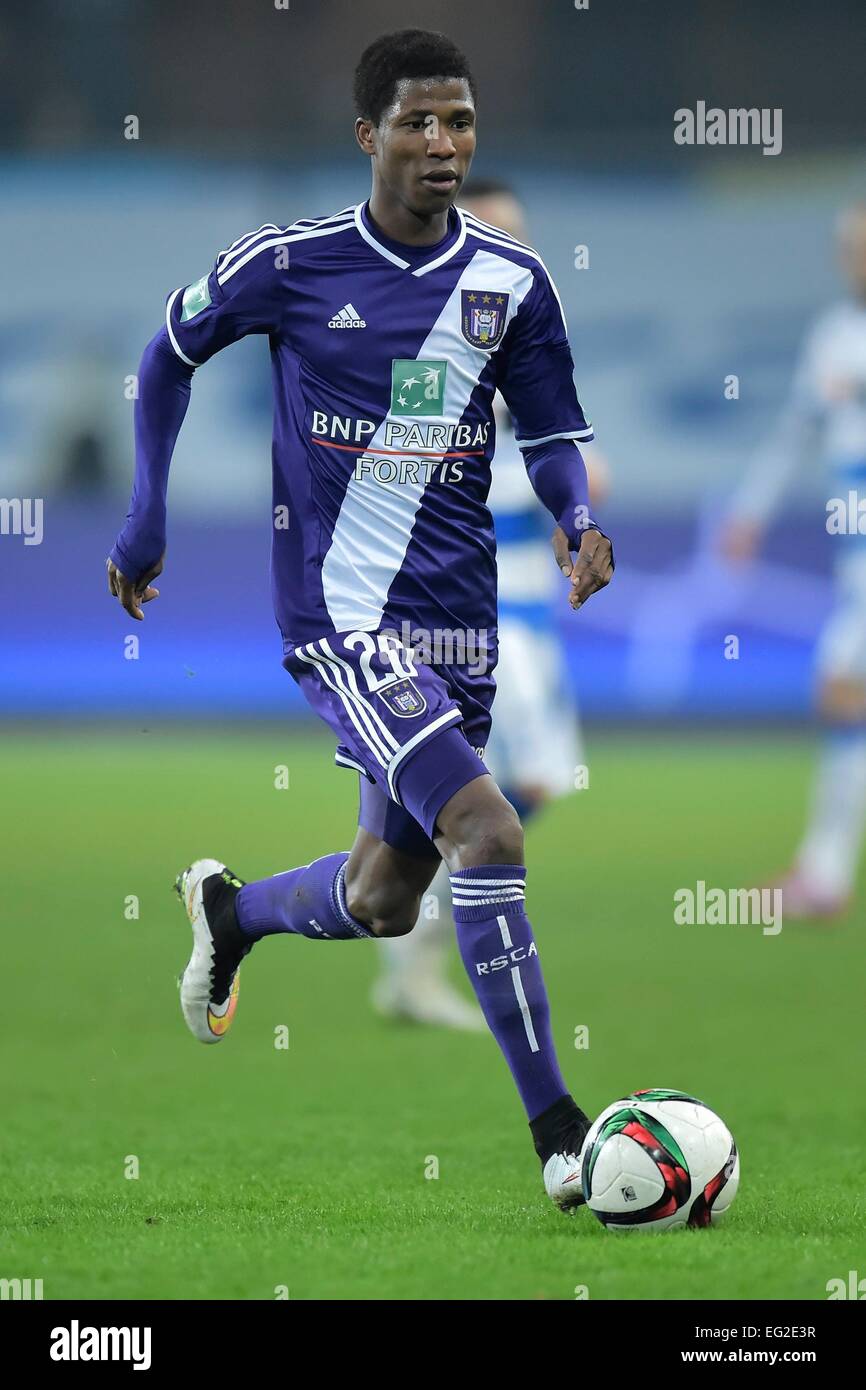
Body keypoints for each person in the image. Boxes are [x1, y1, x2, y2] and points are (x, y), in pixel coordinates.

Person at [106, 29, 614, 1211]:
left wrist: (576, 519)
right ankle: (558, 1133)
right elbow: (165, 355)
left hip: (458, 624)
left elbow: (550, 440)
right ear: (367, 136)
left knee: (386, 898)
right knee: (487, 831)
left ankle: (231, 912)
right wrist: (144, 518)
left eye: (461, 124)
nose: (443, 145)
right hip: (341, 617)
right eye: (419, 124)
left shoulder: (510, 285)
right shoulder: (290, 263)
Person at [372, 178, 609, 1030]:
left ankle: (411, 945)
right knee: (510, 784)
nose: (513, 253)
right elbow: (411, 475)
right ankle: (411, 946)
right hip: (478, 607)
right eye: (495, 233)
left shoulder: (536, 342)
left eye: (521, 235)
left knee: (516, 784)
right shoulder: (438, 357)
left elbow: (588, 464)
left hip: (534, 609)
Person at [720, 203, 866, 918]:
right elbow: (795, 432)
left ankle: (825, 873)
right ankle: (825, 871)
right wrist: (749, 510)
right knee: (846, 694)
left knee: (843, 687)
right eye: (849, 246)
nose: (855, 257)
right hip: (856, 552)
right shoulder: (835, 334)